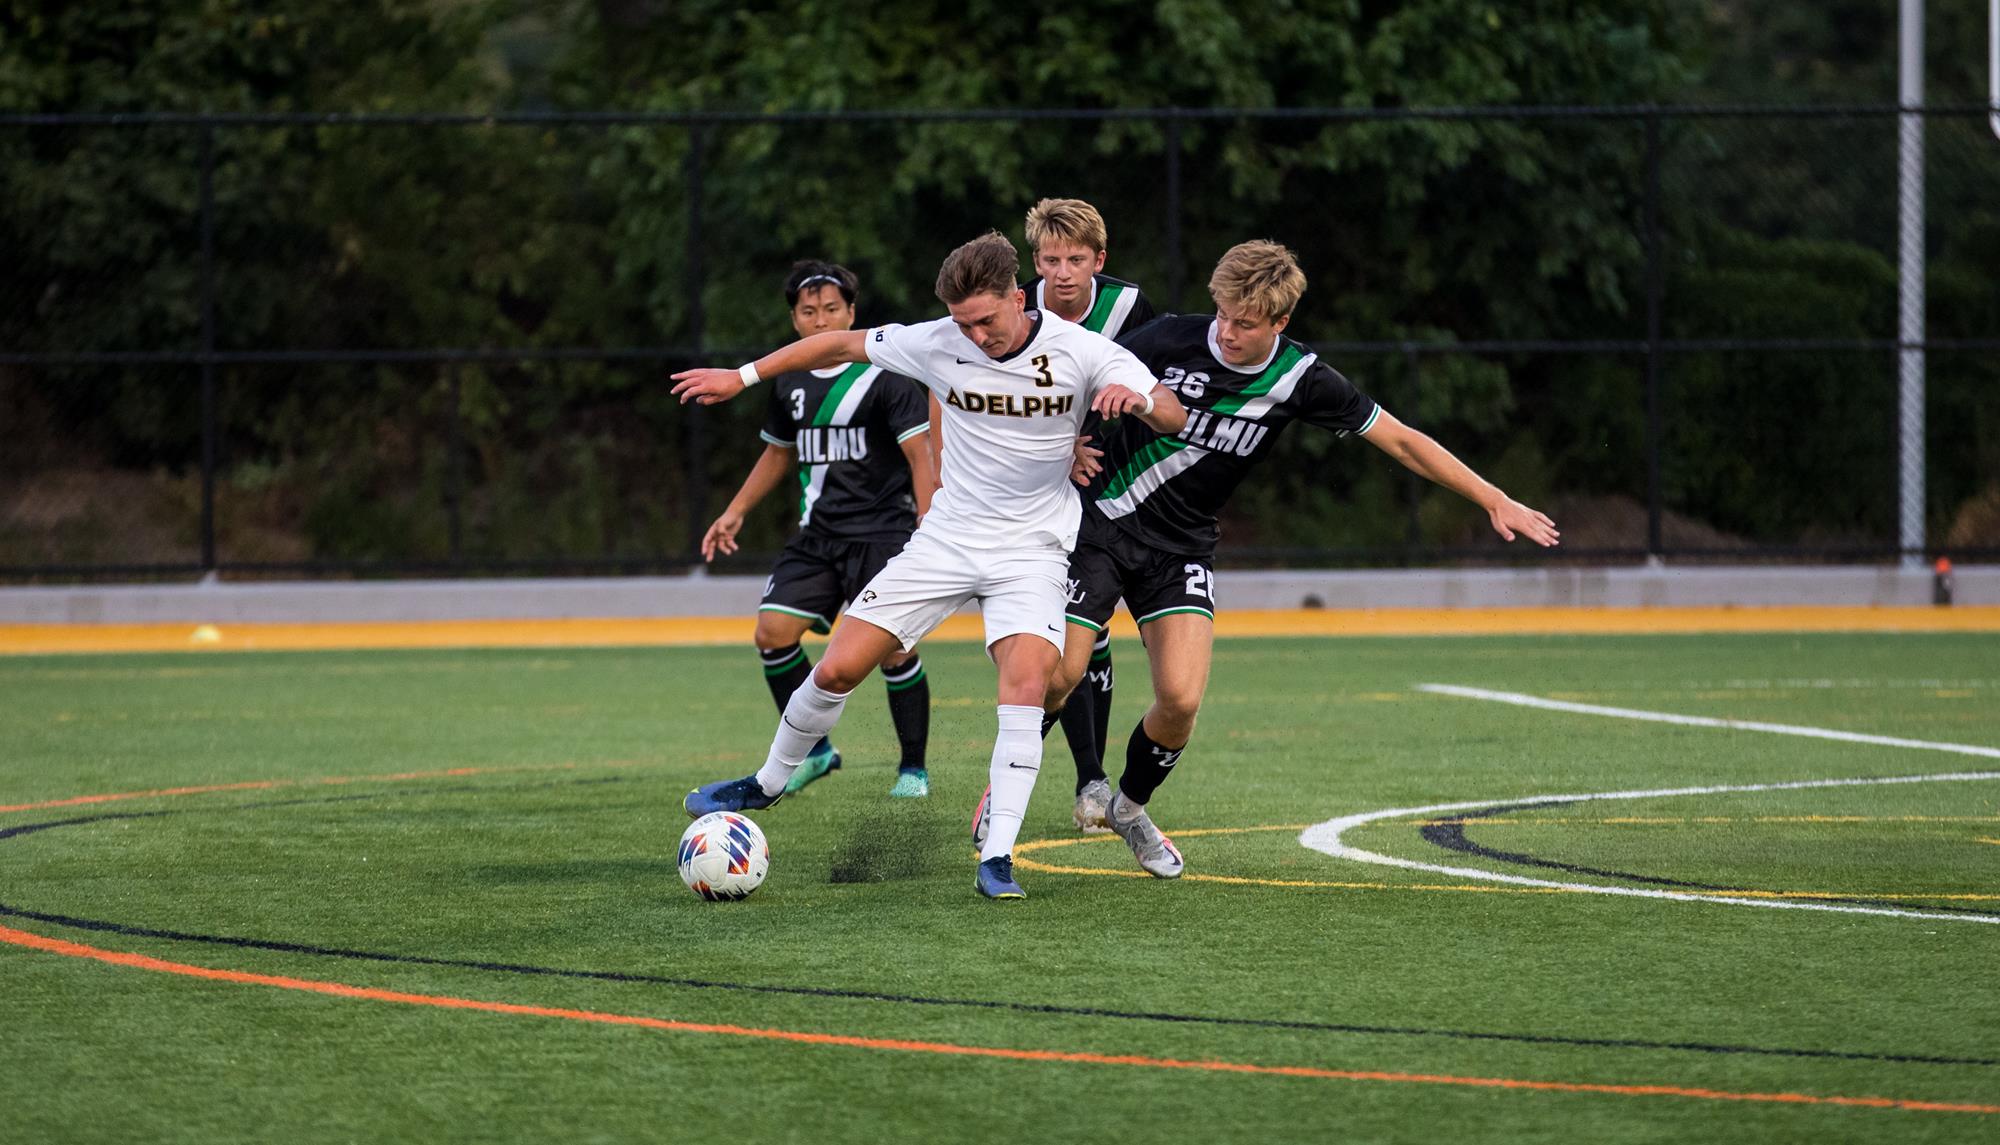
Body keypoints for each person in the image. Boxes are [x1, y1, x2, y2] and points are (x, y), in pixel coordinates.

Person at [672, 231, 1187, 901]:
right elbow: (836, 345)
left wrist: (1139, 401)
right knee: (837, 667)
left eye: (986, 320)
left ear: (1016, 297)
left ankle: (997, 857)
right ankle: (767, 782)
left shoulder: (1081, 349)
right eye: (963, 323)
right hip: (945, 542)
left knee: (1026, 684)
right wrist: (740, 377)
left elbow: (1173, 411)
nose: (975, 336)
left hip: (1031, 552)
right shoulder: (940, 340)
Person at [1023, 239, 1560, 880]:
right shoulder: (1166, 339)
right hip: (1103, 525)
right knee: (1061, 673)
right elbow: (1066, 378)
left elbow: (1401, 441)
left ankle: (1129, 809)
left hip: (1182, 546)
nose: (1227, 332)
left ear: (1280, 322)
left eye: (1245, 323)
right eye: (1222, 314)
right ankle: (1005, 790)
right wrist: (1067, 445)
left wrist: (1493, 497)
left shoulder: (1301, 380)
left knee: (1181, 703)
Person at [699, 260, 940, 798]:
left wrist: (928, 520)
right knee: (772, 633)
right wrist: (736, 511)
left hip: (883, 535)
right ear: (795, 320)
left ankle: (913, 770)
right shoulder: (788, 381)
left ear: (852, 313)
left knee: (894, 651)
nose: (821, 320)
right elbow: (778, 454)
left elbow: (919, 453)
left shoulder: (885, 376)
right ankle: (816, 751)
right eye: (809, 312)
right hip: (817, 536)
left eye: (832, 309)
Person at [1021, 197, 1158, 833]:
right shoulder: (1015, 308)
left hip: (1114, 486)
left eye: (1076, 259)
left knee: (1084, 630)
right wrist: (1059, 445)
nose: (1063, 272)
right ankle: (1069, 776)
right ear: (1036, 262)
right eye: (1051, 260)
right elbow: (991, 393)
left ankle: (1089, 780)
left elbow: (1158, 389)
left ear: (1099, 260)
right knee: (1063, 638)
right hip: (1037, 486)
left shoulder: (1130, 308)